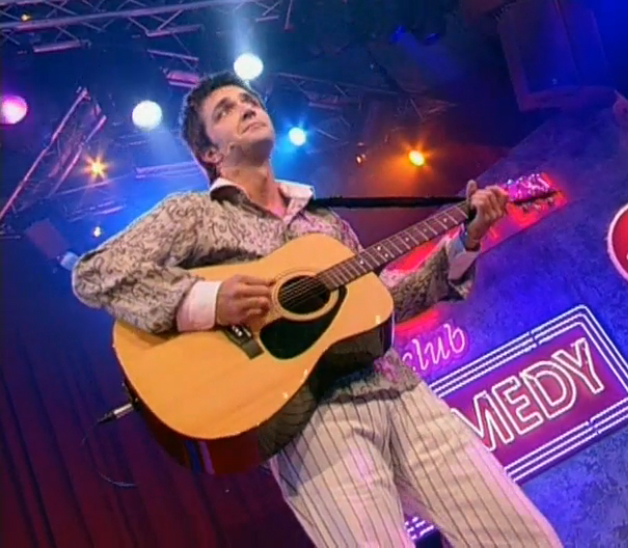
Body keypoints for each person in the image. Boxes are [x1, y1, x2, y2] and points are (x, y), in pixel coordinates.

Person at [72, 71, 562, 548]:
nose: (246, 108)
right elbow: (97, 273)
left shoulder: (324, 221)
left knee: (526, 538)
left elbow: (384, 299)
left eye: (250, 101)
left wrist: (466, 240)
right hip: (309, 424)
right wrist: (209, 302)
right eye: (225, 111)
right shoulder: (193, 214)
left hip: (403, 393)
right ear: (210, 153)